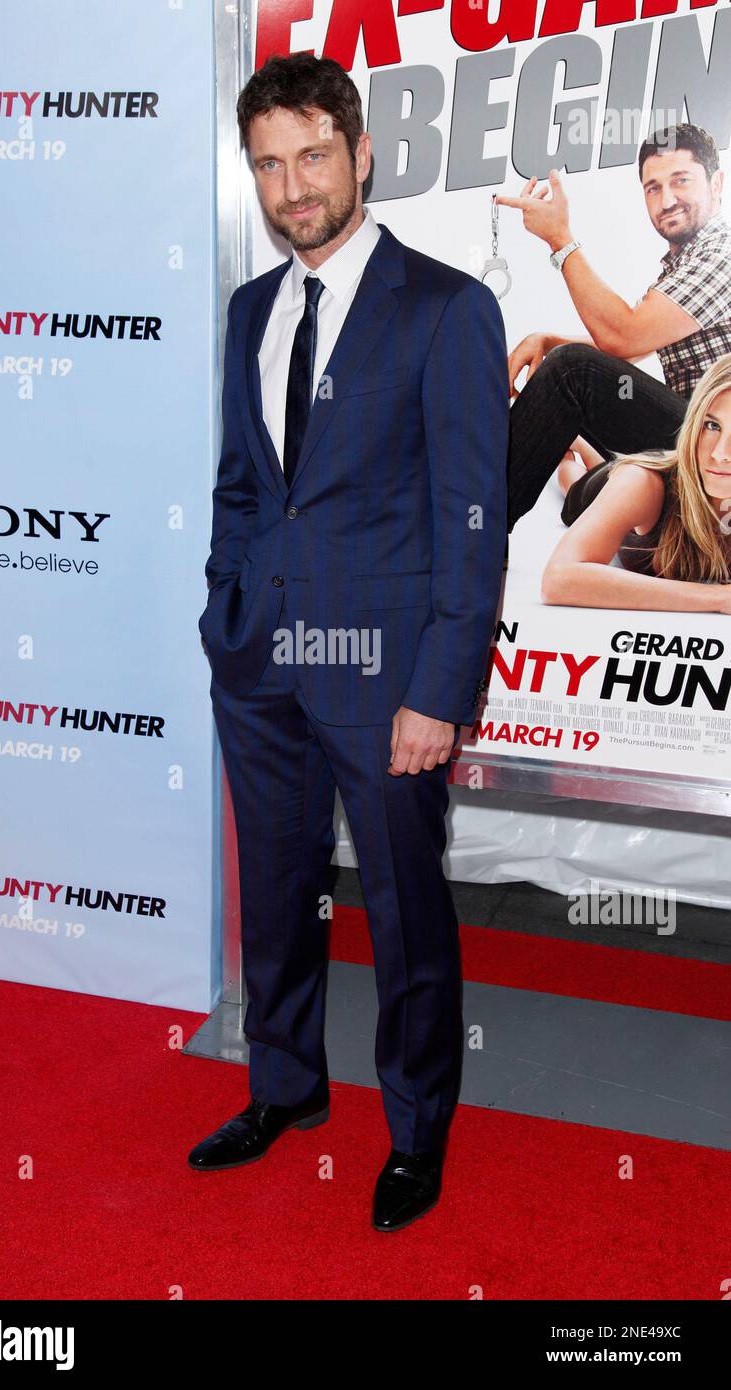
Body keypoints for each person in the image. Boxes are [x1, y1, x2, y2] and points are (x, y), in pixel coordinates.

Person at [190, 52, 509, 1233]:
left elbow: (472, 525)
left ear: (361, 153)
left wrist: (438, 689)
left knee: (402, 907)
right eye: (269, 164)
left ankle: (416, 1133)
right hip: (259, 664)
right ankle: (283, 1088)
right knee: (274, 896)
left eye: (312, 155)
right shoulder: (247, 311)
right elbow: (244, 486)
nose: (292, 186)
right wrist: (224, 605)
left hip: (384, 683)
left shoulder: (443, 307)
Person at [495, 123, 731, 532]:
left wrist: (561, 240)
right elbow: (627, 345)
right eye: (653, 188)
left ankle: (470, 534)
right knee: (582, 500)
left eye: (681, 181)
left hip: (717, 447)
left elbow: (624, 335)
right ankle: (594, 465)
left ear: (716, 184)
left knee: (573, 372)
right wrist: (549, 339)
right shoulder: (680, 267)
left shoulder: (722, 250)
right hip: (692, 446)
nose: (667, 199)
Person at [542, 352, 731, 610]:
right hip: (610, 485)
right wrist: (718, 598)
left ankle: (589, 450)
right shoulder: (643, 484)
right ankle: (569, 450)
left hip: (636, 472)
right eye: (712, 426)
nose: (720, 453)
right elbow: (558, 580)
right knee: (575, 485)